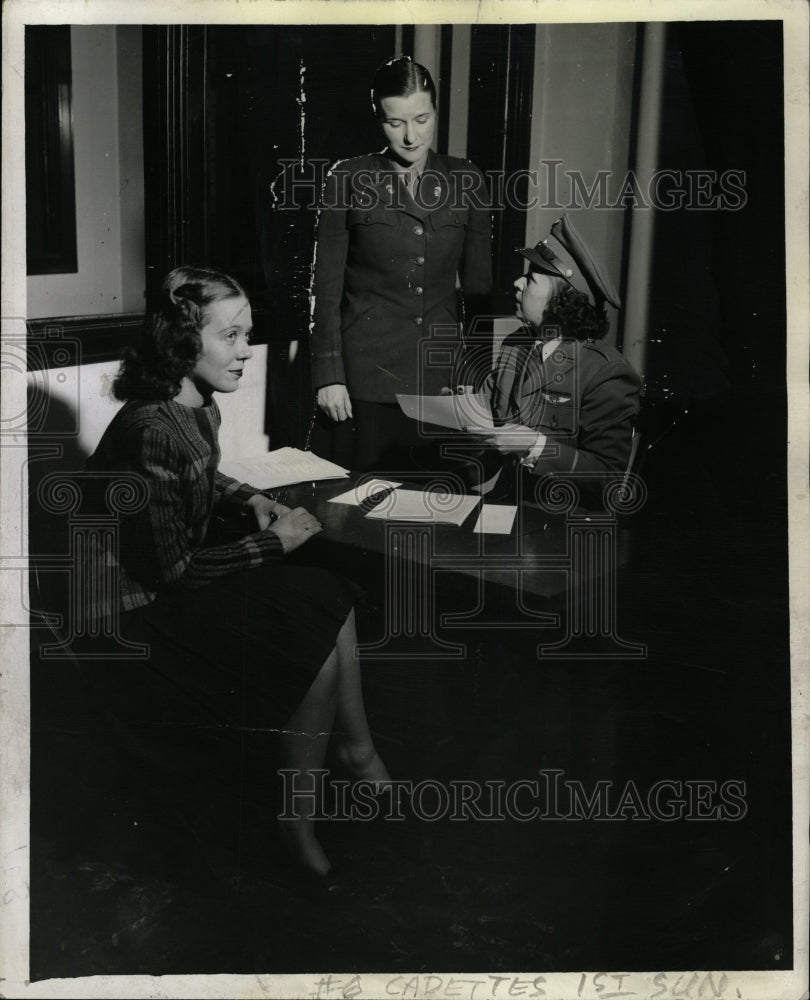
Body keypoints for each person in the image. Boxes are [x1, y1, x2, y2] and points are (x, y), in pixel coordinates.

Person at [85, 265, 389, 885]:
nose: (246, 351)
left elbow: (202, 473)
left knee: (332, 596)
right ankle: (297, 820)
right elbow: (172, 573)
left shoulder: (192, 404)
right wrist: (271, 542)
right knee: (317, 636)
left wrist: (246, 497)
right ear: (182, 339)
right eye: (231, 336)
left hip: (175, 584)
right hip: (131, 616)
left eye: (247, 334)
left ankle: (358, 752)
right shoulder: (152, 429)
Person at [309, 55, 493, 473]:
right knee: (357, 510)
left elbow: (482, 292)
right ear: (378, 119)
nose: (411, 136)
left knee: (438, 513)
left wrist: (477, 377)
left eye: (422, 119)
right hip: (365, 382)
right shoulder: (348, 178)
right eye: (396, 123)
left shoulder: (468, 180)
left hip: (441, 381)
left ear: (435, 113)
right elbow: (325, 290)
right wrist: (328, 376)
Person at [463, 214, 642, 505]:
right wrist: (462, 412)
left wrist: (534, 445)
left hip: (560, 523)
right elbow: (490, 419)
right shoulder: (516, 344)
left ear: (563, 301)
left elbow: (609, 479)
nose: (517, 282)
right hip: (504, 505)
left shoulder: (605, 373)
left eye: (531, 278)